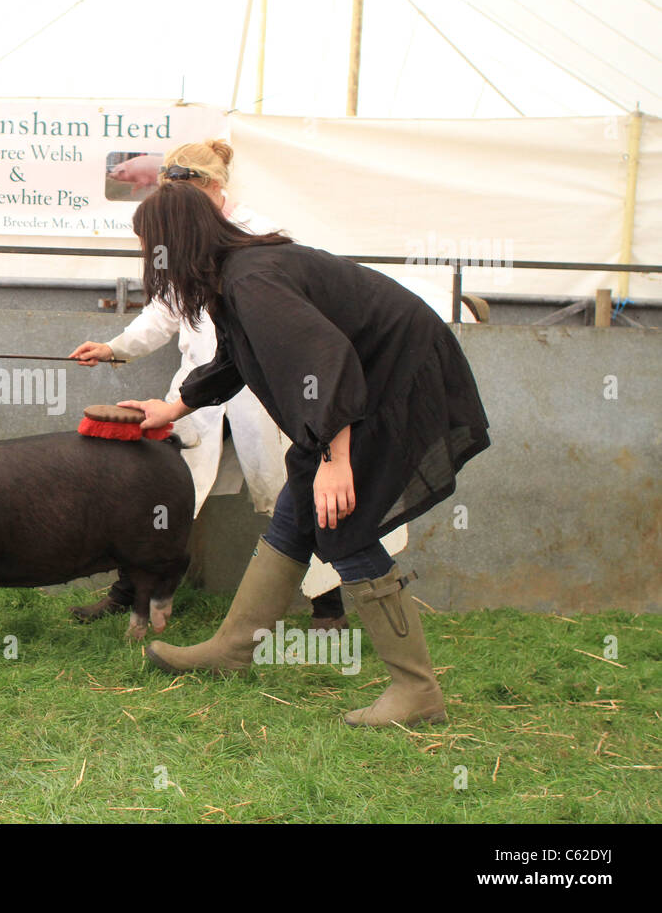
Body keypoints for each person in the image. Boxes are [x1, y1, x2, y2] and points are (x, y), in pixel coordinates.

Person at [119, 182, 489, 728]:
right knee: (297, 513)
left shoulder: (254, 280)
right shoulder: (237, 277)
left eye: (150, 244)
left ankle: (417, 691)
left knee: (346, 521)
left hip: (395, 381)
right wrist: (174, 408)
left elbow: (325, 357)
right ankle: (232, 649)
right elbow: (238, 359)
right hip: (369, 385)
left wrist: (337, 462)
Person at [70, 139, 357, 631]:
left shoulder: (262, 238)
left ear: (212, 186)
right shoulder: (178, 236)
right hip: (196, 394)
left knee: (297, 490)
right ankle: (132, 591)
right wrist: (116, 347)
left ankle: (327, 608)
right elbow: (164, 310)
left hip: (261, 393)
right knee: (163, 491)